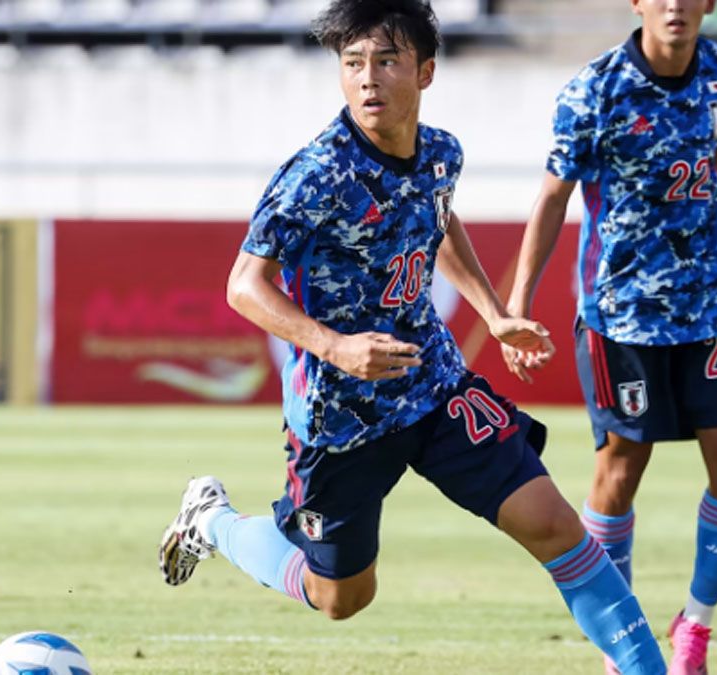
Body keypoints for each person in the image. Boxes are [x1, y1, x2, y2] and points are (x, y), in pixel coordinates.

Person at [156, 1, 666, 672]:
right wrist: (336, 346)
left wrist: (490, 311)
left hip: (433, 388)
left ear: (425, 72)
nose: (368, 79)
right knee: (340, 597)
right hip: (341, 418)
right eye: (353, 63)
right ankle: (213, 519)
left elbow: (438, 217)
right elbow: (244, 284)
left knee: (554, 523)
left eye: (387, 61)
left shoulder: (442, 154)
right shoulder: (317, 175)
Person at [502, 0, 717, 673]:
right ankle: (623, 638)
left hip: (706, 314)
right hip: (622, 319)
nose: (674, 4)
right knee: (621, 471)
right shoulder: (595, 88)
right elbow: (553, 196)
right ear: (638, 3)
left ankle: (694, 625)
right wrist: (518, 304)